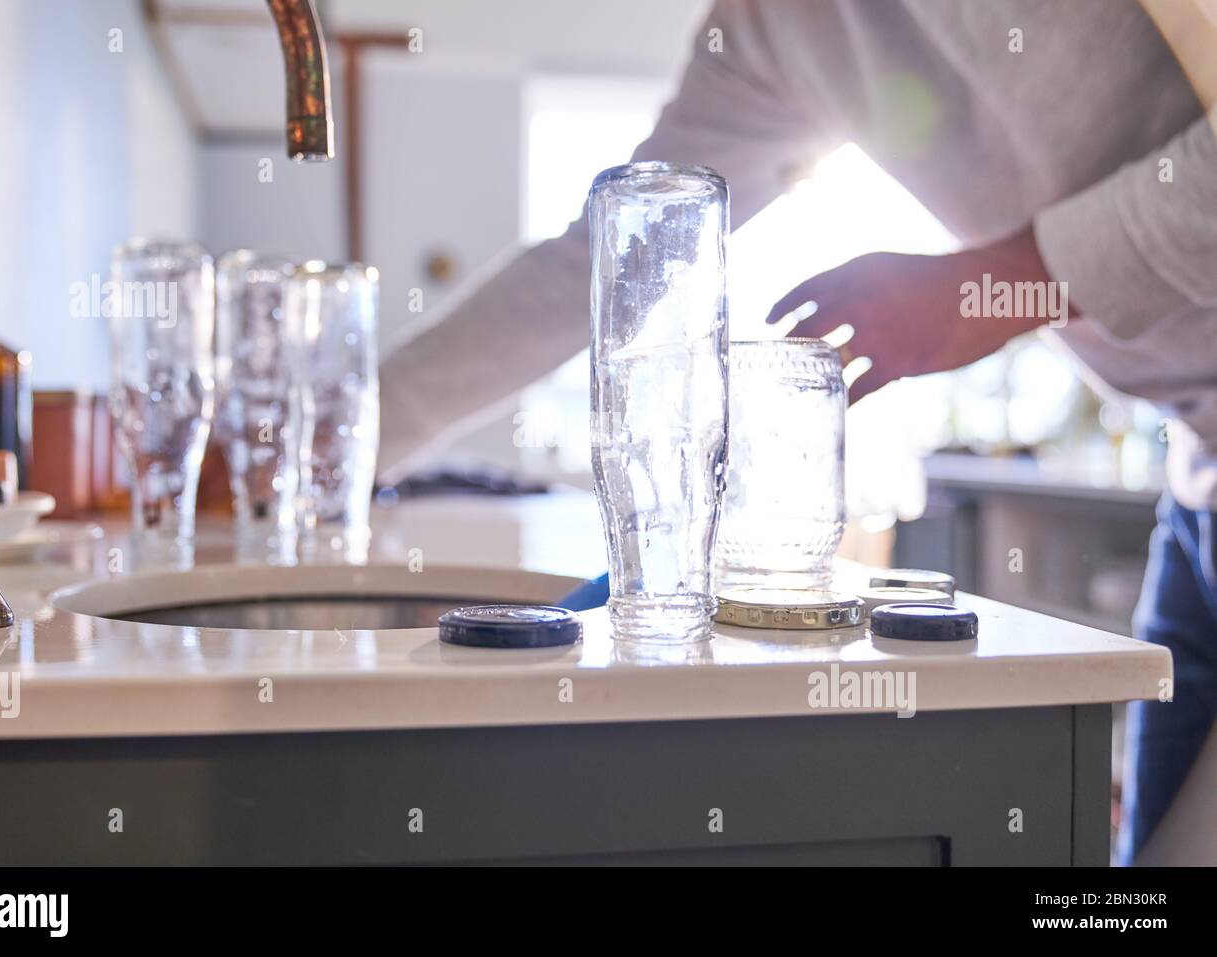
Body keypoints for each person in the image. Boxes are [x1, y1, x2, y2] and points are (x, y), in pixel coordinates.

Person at [378, 1, 1217, 864]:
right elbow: (600, 263)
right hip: (1197, 469)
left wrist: (984, 287)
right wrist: (356, 435)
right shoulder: (768, 30)